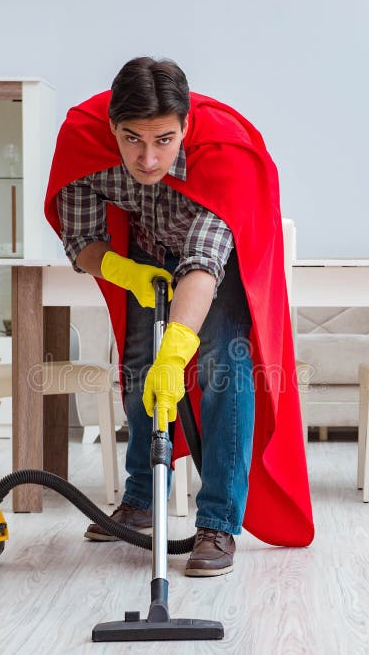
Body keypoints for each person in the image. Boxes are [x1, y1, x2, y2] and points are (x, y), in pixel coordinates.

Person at [44, 57, 314, 577]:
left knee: (223, 366)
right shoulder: (84, 142)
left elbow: (204, 265)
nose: (147, 159)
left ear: (186, 126)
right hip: (143, 253)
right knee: (139, 369)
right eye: (132, 140)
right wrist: (122, 271)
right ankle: (142, 500)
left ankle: (217, 523)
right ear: (112, 128)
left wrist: (177, 351)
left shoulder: (226, 153)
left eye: (164, 140)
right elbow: (81, 239)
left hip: (218, 264)